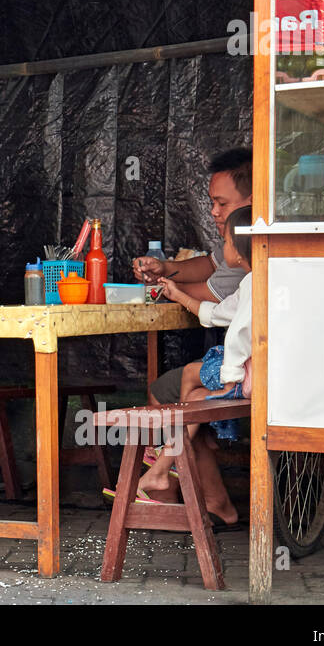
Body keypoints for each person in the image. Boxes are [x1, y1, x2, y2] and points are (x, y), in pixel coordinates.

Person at [130, 205, 254, 527]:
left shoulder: (256, 285)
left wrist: (229, 380)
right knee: (195, 398)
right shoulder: (253, 283)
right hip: (249, 373)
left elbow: (239, 337)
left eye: (225, 242)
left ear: (240, 250)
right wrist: (176, 293)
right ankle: (166, 465)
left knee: (189, 376)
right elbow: (216, 314)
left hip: (249, 376)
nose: (221, 249)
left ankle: (168, 461)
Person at [132, 147, 252, 406]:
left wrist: (167, 289)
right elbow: (209, 264)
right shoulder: (240, 248)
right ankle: (194, 446)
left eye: (222, 203)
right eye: (212, 202)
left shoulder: (248, 256)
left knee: (162, 390)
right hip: (249, 367)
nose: (213, 212)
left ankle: (174, 446)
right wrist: (163, 270)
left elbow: (209, 298)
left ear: (253, 201)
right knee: (192, 393)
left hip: (251, 371)